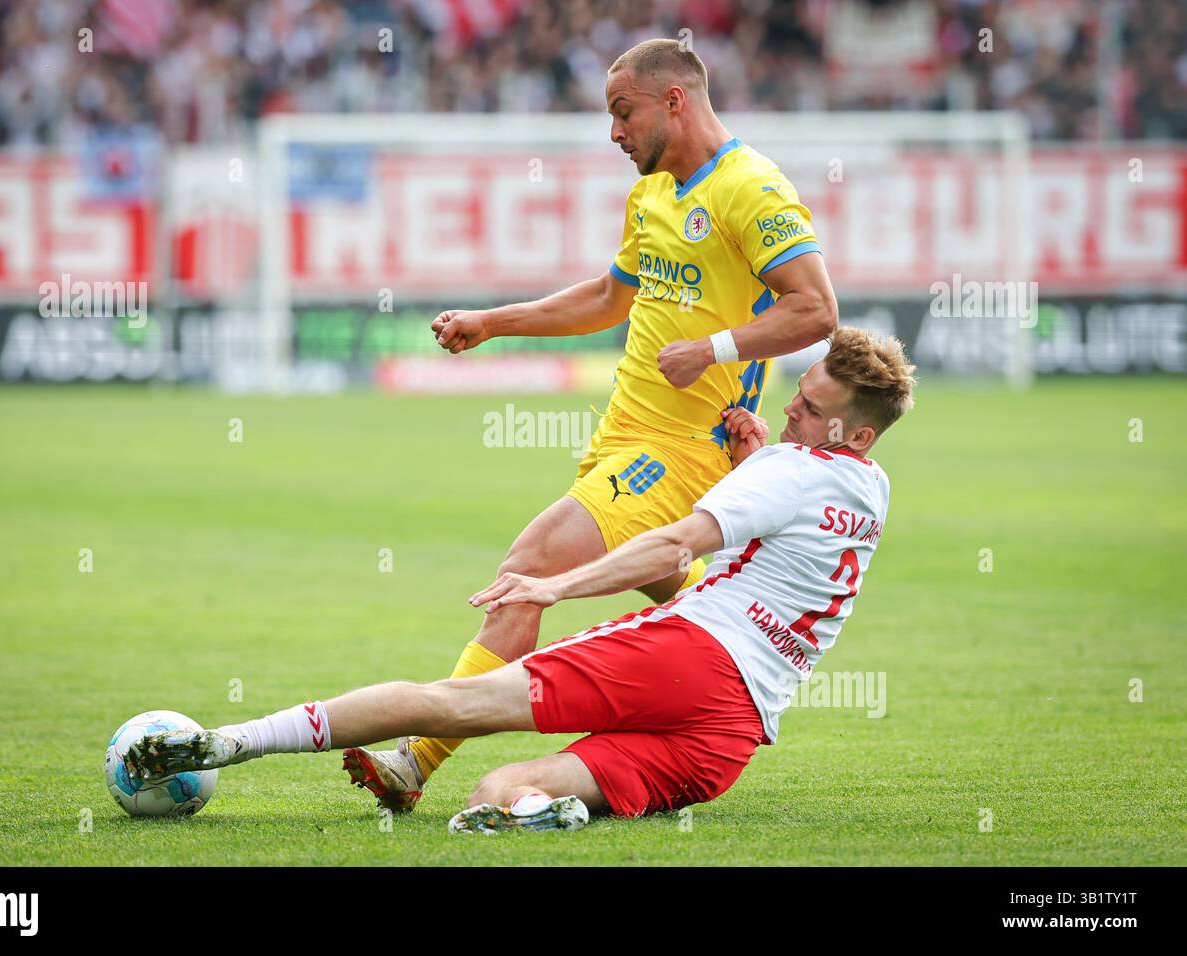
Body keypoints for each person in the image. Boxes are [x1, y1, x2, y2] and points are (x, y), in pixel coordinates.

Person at [125, 328, 915, 833]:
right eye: (798, 394)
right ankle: (542, 814)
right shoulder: (870, 488)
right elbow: (786, 531)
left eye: (810, 407)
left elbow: (675, 546)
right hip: (729, 736)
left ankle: (234, 741)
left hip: (689, 657)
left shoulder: (789, 467)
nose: (790, 411)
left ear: (857, 431)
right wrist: (751, 464)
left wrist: (554, 589)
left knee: (453, 703)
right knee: (497, 791)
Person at [344, 36, 839, 812]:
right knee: (683, 593)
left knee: (531, 566)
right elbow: (610, 298)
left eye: (623, 113)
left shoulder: (751, 188)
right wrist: (494, 322)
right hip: (620, 438)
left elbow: (816, 309)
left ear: (675, 100)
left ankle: (416, 760)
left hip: (682, 451)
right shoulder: (654, 194)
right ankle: (740, 640)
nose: (614, 132)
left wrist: (711, 349)